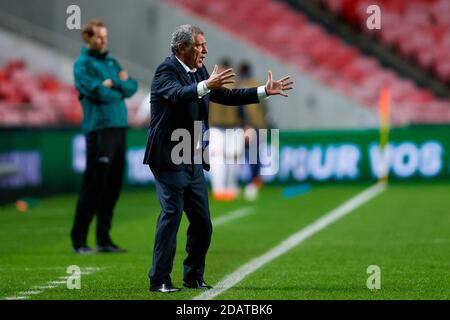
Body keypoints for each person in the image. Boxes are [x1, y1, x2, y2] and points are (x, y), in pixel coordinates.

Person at [143, 25, 293, 293]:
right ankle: (160, 279)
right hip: (168, 153)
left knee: (202, 222)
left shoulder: (200, 71)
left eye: (204, 45)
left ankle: (193, 276)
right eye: (200, 45)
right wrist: (205, 85)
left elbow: (226, 96)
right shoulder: (166, 71)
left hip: (192, 152)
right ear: (182, 48)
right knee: (172, 214)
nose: (205, 50)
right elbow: (178, 95)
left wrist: (263, 91)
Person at [70, 19, 138, 254]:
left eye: (105, 36)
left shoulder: (111, 61)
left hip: (119, 128)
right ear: (87, 38)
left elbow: (131, 87)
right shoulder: (82, 64)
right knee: (94, 185)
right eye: (99, 36)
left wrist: (114, 83)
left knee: (113, 186)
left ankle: (103, 238)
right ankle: (79, 240)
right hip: (99, 128)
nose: (103, 40)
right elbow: (99, 93)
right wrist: (115, 87)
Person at [208, 58, 245, 201]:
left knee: (219, 158)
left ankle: (220, 190)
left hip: (217, 126)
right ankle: (229, 189)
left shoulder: (210, 83)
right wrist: (246, 124)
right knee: (232, 158)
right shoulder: (235, 82)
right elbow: (242, 106)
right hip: (230, 126)